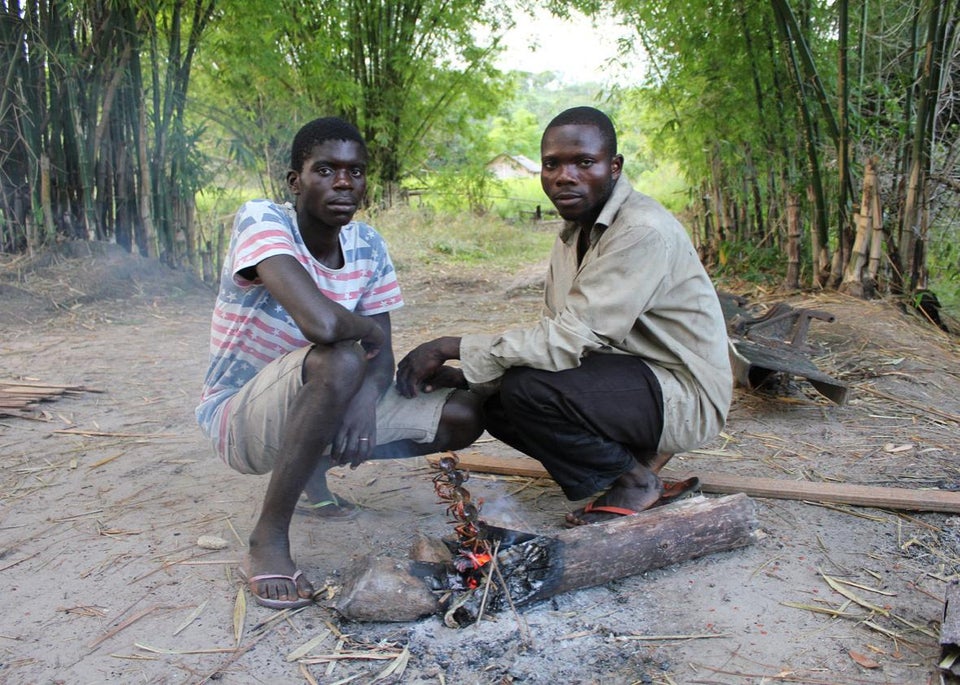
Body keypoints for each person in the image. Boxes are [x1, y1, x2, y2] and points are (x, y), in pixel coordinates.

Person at [196, 117, 483, 609]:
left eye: (356, 171)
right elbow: (324, 328)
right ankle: (268, 537)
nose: (344, 182)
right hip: (239, 419)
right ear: (295, 181)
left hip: (327, 390)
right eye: (326, 170)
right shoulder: (263, 219)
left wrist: (366, 402)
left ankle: (311, 471)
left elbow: (383, 355)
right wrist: (365, 335)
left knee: (464, 413)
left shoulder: (368, 245)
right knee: (343, 358)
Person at [396, 106, 732, 527]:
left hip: (685, 395)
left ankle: (635, 482)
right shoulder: (575, 232)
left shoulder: (641, 231)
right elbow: (554, 340)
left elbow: (569, 340)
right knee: (496, 402)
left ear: (614, 167)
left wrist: (452, 346)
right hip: (636, 381)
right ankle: (638, 467)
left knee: (526, 389)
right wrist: (469, 376)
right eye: (552, 164)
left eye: (583, 162)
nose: (564, 176)